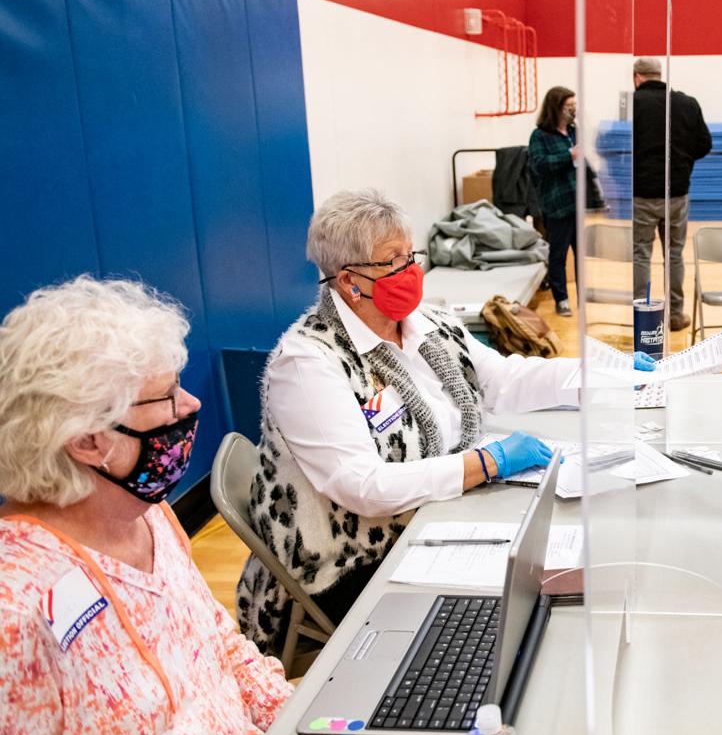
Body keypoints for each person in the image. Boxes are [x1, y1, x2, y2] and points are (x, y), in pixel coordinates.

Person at [238, 189, 652, 650]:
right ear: (350, 282)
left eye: (409, 255)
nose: (410, 271)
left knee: (563, 563)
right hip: (354, 561)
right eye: (392, 262)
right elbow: (363, 487)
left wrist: (601, 374)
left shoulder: (426, 324)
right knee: (525, 603)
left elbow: (503, 379)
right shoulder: (307, 363)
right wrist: (488, 462)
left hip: (441, 517)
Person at [0, 276, 292, 735]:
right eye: (167, 396)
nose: (191, 403)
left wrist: (294, 718)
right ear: (88, 439)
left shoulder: (148, 513)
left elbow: (216, 642)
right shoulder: (15, 612)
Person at [631, 56, 712, 332]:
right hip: (676, 192)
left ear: (637, 78)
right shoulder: (686, 103)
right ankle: (675, 315)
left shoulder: (633, 105)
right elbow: (704, 144)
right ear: (658, 74)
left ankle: (643, 317)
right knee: (674, 254)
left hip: (641, 192)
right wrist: (682, 161)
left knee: (641, 254)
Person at [528, 86, 580, 316]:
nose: (573, 110)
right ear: (555, 108)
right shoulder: (540, 136)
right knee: (558, 255)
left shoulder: (574, 131)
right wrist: (569, 156)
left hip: (578, 203)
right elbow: (539, 165)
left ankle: (583, 298)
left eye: (574, 105)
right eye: (568, 106)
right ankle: (562, 300)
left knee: (582, 254)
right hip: (557, 205)